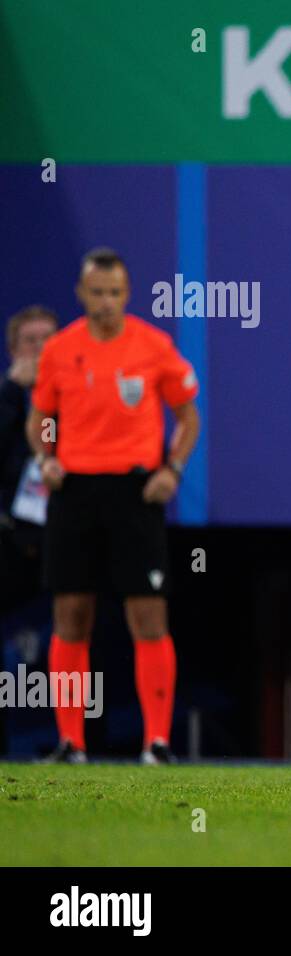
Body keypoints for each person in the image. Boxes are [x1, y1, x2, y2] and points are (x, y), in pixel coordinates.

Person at [27, 248, 201, 764]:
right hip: (75, 491)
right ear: (81, 295)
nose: (106, 302)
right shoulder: (60, 350)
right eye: (97, 293)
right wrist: (46, 459)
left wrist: (173, 470)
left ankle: (157, 741)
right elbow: (39, 419)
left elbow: (188, 417)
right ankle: (71, 742)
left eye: (115, 293)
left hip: (134, 491)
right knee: (70, 614)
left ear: (127, 294)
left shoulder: (152, 346)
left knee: (148, 615)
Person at [1, 305, 59, 755]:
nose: (40, 351)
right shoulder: (6, 397)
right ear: (13, 350)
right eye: (30, 342)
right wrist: (10, 393)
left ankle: (80, 746)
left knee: (82, 632)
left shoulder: (76, 395)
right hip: (10, 543)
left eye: (48, 341)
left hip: (64, 537)